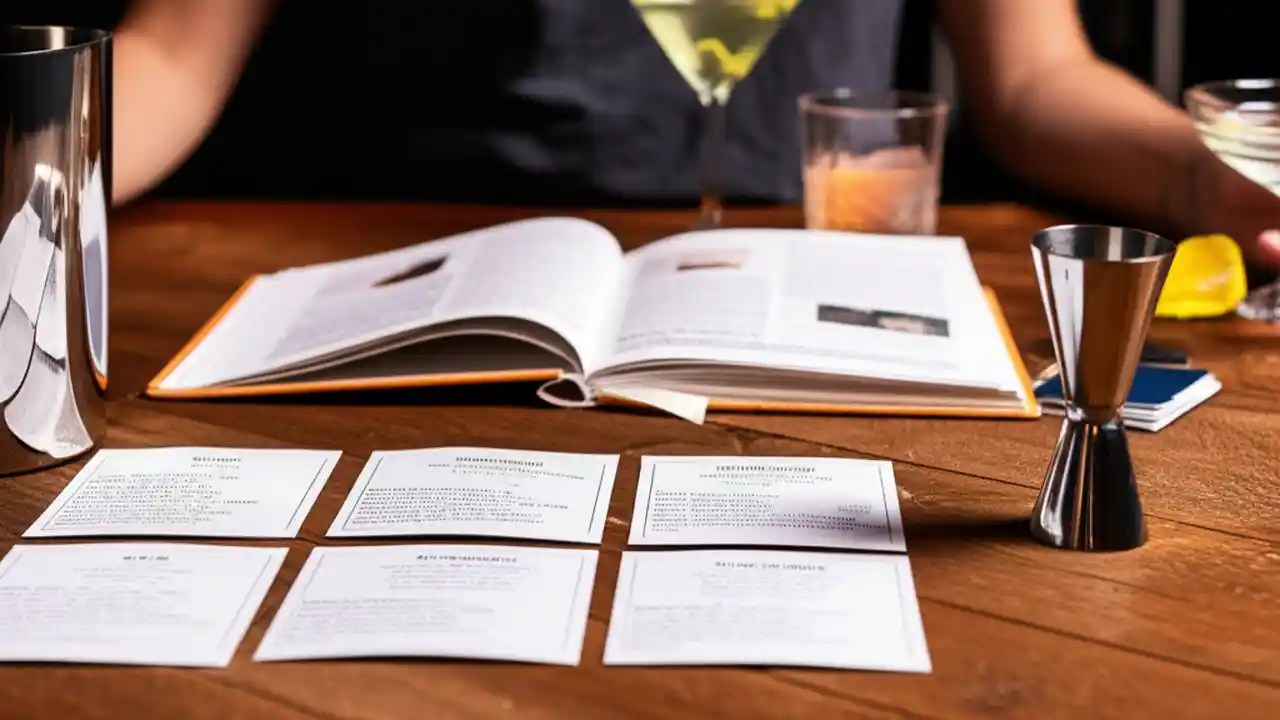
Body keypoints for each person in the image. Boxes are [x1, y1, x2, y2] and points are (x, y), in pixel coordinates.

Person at [111, 0, 1280, 267]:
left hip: (790, 291)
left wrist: (1204, 175)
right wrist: (33, 187)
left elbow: (1035, 78)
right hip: (410, 284)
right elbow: (169, 55)